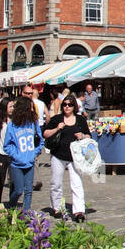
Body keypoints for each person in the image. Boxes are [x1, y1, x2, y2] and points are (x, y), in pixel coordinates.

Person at [43, 92, 90, 221]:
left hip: (75, 157)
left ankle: (79, 210)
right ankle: (57, 207)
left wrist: (82, 135)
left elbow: (88, 135)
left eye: (70, 105)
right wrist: (57, 129)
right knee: (56, 183)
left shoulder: (80, 119)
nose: (67, 107)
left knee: (77, 183)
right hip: (58, 155)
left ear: (74, 106)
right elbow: (45, 133)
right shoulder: (57, 119)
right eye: (64, 105)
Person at [2, 93, 44, 212]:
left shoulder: (34, 123)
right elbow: (7, 146)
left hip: (30, 162)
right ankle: (10, 206)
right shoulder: (12, 126)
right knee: (19, 190)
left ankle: (26, 213)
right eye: (30, 107)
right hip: (17, 164)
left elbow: (40, 141)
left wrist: (34, 153)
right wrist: (16, 156)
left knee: (29, 190)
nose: (32, 110)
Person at [0, 97, 14, 206]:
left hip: (13, 155)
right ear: (4, 108)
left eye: (13, 106)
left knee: (13, 181)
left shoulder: (15, 121)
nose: (12, 108)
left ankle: (12, 202)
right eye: (10, 106)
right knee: (1, 181)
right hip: (2, 154)